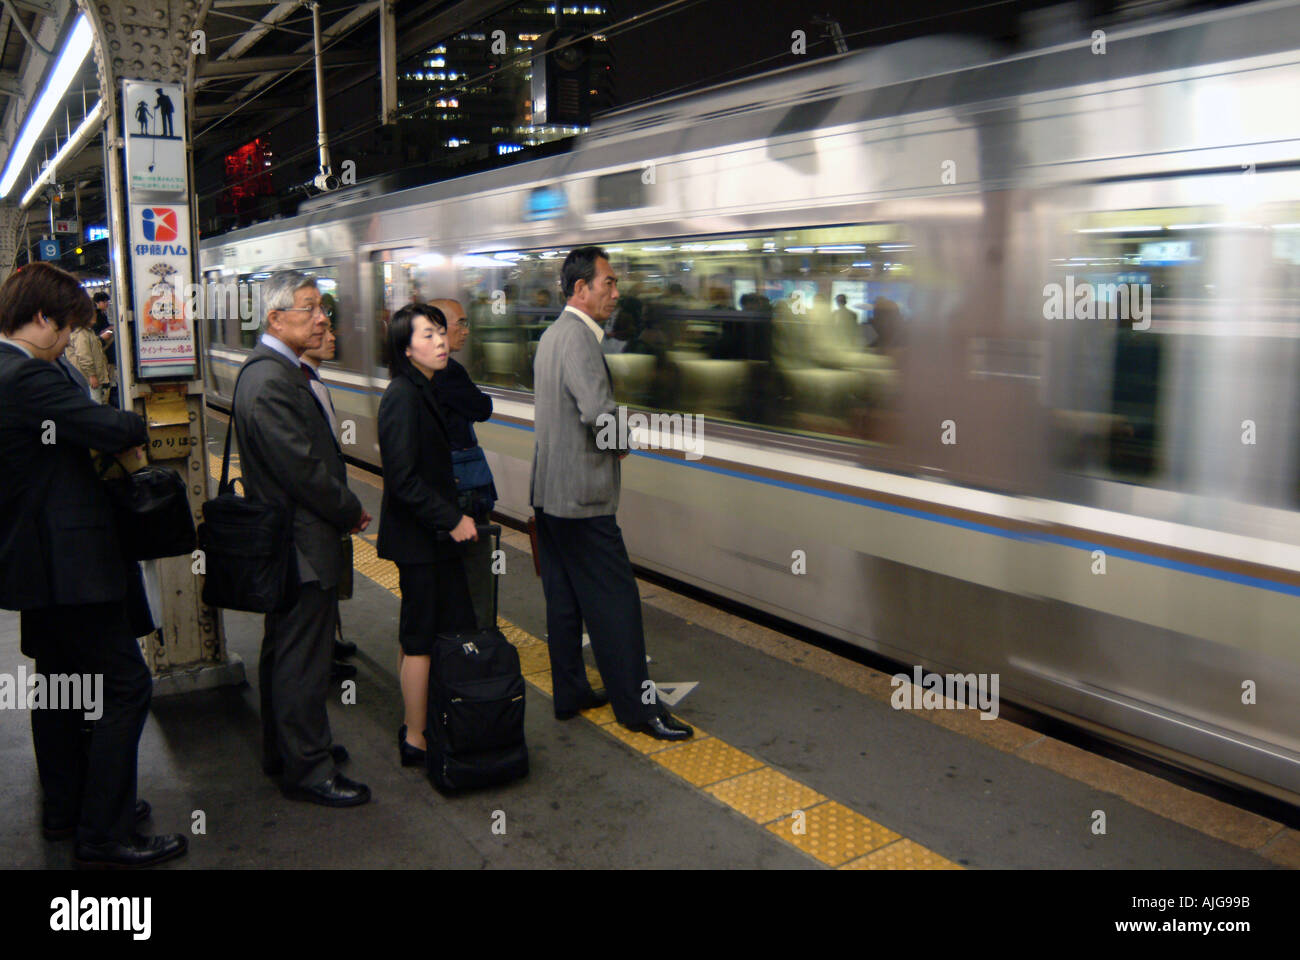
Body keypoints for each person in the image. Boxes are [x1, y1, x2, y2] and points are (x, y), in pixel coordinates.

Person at [0, 262, 186, 867]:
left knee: (57, 688)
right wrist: (124, 424)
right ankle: (103, 833)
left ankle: (67, 810)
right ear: (44, 318)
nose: (69, 336)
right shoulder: (27, 377)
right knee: (126, 688)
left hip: (35, 563)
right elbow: (116, 425)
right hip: (69, 561)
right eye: (67, 325)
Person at [530, 247, 693, 740]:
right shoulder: (579, 339)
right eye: (608, 283)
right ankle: (640, 710)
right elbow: (598, 413)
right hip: (582, 501)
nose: (615, 293)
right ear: (581, 289)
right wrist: (622, 442)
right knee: (616, 603)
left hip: (550, 495)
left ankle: (572, 690)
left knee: (564, 599)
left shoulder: (551, 335)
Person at [233, 270, 372, 807]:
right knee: (302, 662)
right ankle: (309, 770)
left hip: (291, 543)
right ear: (275, 318)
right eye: (310, 308)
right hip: (300, 544)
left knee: (283, 653)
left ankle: (286, 749)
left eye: (322, 308)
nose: (322, 318)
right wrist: (351, 509)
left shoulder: (271, 371)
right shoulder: (272, 380)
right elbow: (304, 469)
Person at [376, 303, 479, 767]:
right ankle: (415, 738)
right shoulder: (403, 395)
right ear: (405, 347)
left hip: (426, 537)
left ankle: (420, 720)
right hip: (421, 540)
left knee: (421, 631)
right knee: (420, 637)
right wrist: (452, 518)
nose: (440, 341)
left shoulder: (423, 388)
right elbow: (402, 478)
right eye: (428, 335)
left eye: (441, 332)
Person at [299, 321, 359, 682]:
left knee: (330, 580)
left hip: (326, 506)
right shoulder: (304, 383)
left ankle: (330, 643)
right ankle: (323, 656)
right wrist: (344, 504)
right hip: (316, 513)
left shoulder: (313, 378)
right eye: (323, 332)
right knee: (320, 586)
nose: (333, 336)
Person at [428, 298, 496, 522]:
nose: (466, 331)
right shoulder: (448, 370)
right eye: (461, 323)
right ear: (439, 327)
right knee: (475, 551)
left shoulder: (418, 368)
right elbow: (482, 408)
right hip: (459, 482)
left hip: (437, 478)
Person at [63, 308, 110, 403]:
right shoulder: (81, 333)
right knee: (95, 405)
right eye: (92, 314)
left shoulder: (88, 332)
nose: (95, 316)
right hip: (87, 379)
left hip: (87, 378)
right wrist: (92, 375)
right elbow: (83, 356)